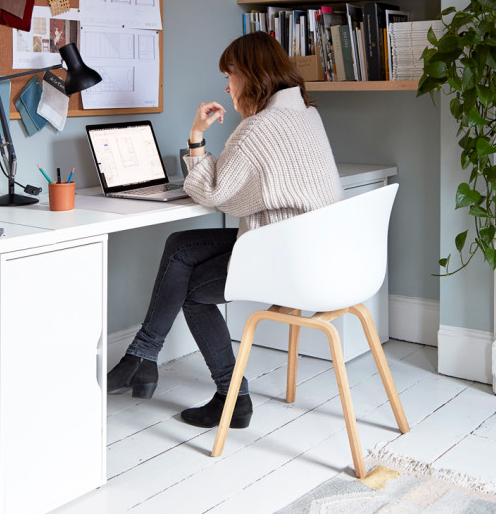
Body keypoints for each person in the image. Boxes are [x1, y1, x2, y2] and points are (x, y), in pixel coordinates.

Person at [106, 31, 344, 429]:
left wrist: (196, 136)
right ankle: (142, 357)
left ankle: (230, 397)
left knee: (191, 291)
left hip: (286, 259)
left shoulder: (259, 129)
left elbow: (213, 192)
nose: (227, 86)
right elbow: (238, 185)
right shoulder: (306, 112)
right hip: (316, 250)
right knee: (180, 246)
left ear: (249, 75)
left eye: (229, 75)